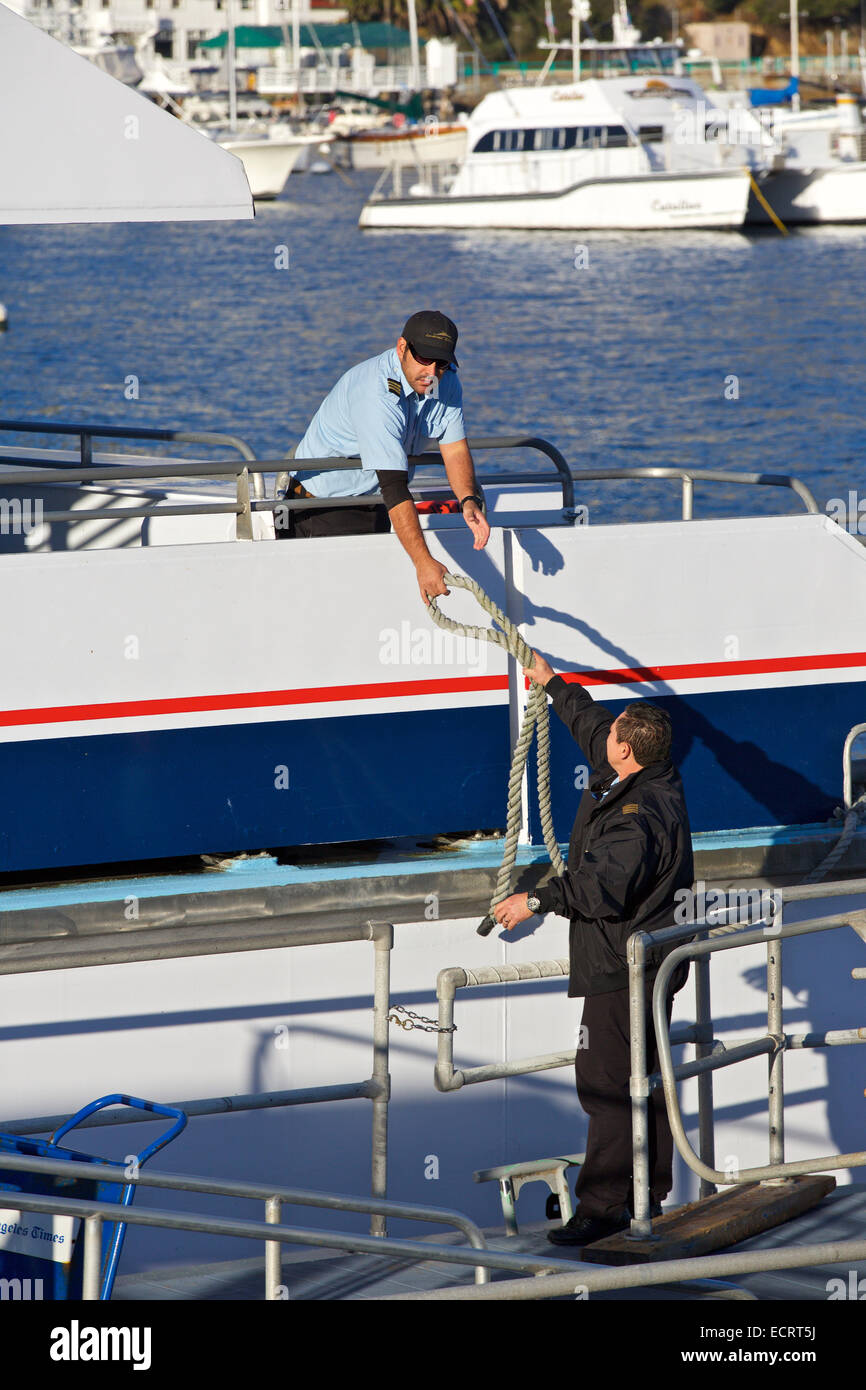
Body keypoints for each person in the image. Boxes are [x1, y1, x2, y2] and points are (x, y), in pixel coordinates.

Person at [494, 652, 694, 1249]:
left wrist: (535, 900)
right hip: (648, 960)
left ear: (626, 751)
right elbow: (592, 724)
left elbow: (603, 886)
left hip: (622, 964)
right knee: (645, 1076)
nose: (604, 733)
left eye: (615, 733)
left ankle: (605, 1205)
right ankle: (647, 1188)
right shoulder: (648, 774)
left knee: (606, 1081)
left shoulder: (636, 814)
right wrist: (552, 682)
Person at [274, 310, 490, 604]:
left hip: (375, 503)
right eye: (425, 359)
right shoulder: (376, 392)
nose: (432, 372)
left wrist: (468, 499)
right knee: (334, 606)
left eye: (441, 363)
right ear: (402, 347)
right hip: (323, 507)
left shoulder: (445, 381)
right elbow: (394, 486)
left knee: (365, 602)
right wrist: (424, 562)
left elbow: (454, 449)